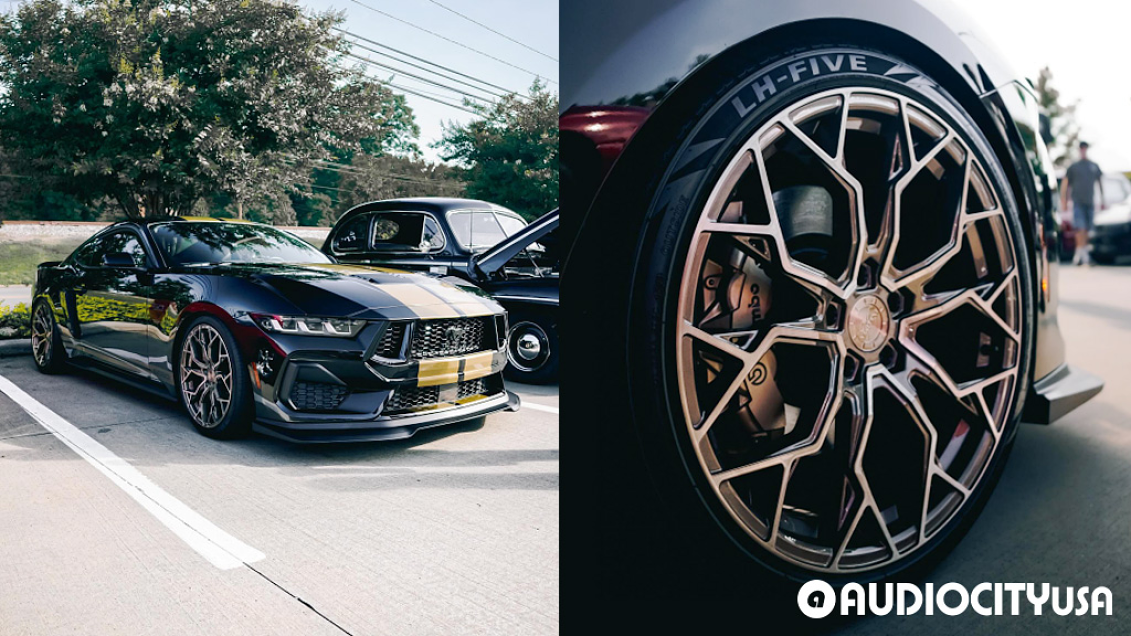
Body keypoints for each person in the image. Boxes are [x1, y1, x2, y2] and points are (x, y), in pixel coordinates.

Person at [1061, 141, 1105, 266]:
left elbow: (1100, 182)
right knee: (1080, 227)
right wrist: (1064, 200)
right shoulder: (1074, 166)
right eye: (1081, 148)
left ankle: (1080, 253)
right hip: (1077, 201)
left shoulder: (1093, 166)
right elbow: (1066, 183)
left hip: (1090, 201)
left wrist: (1102, 199)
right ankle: (1083, 255)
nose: (1083, 150)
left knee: (1087, 229)